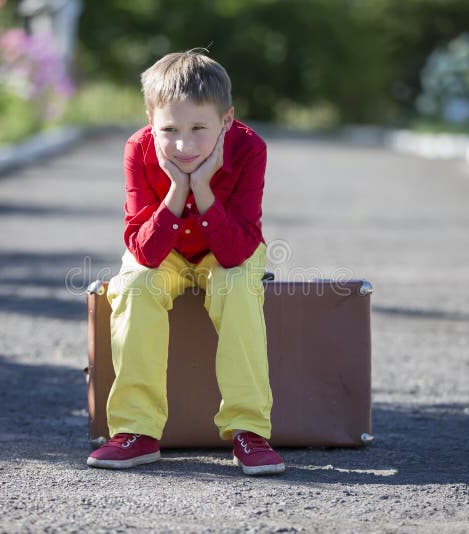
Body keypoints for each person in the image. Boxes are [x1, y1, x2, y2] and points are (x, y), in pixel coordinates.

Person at [86, 50, 284, 476]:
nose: (183, 144)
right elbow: (143, 251)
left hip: (228, 247)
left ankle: (249, 430)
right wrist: (179, 188)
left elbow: (236, 251)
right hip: (163, 248)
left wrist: (205, 190)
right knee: (135, 287)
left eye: (199, 128)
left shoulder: (249, 148)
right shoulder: (139, 149)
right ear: (150, 119)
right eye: (170, 129)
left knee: (235, 287)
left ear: (227, 120)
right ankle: (136, 431)